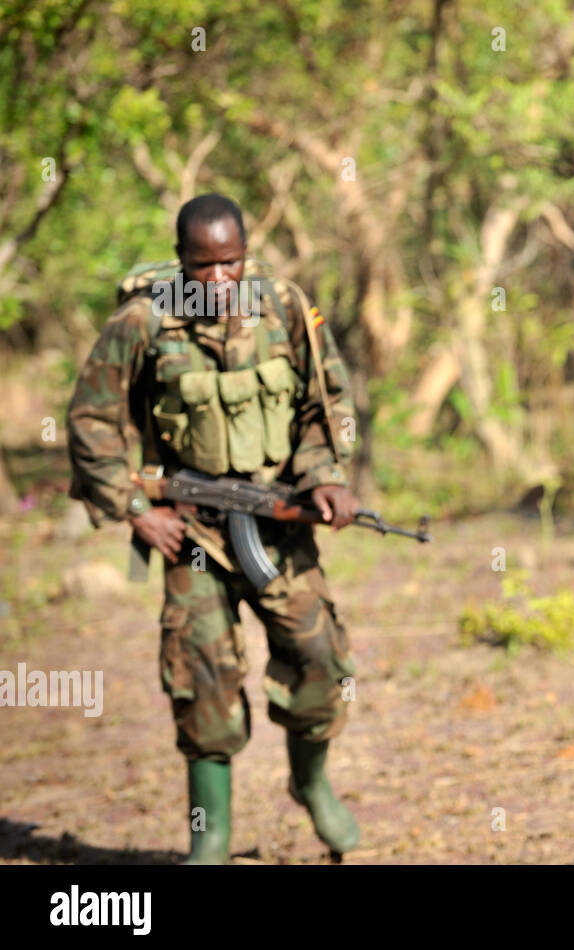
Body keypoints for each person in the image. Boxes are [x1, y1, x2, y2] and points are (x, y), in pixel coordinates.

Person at [66, 193, 362, 863]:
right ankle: (210, 838)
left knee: (320, 663)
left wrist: (323, 475)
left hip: (276, 521)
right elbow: (90, 418)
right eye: (204, 266)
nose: (220, 281)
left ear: (247, 255)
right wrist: (138, 510)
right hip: (192, 533)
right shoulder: (144, 322)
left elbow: (328, 403)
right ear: (180, 261)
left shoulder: (286, 308)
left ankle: (310, 785)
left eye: (231, 263)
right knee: (201, 683)